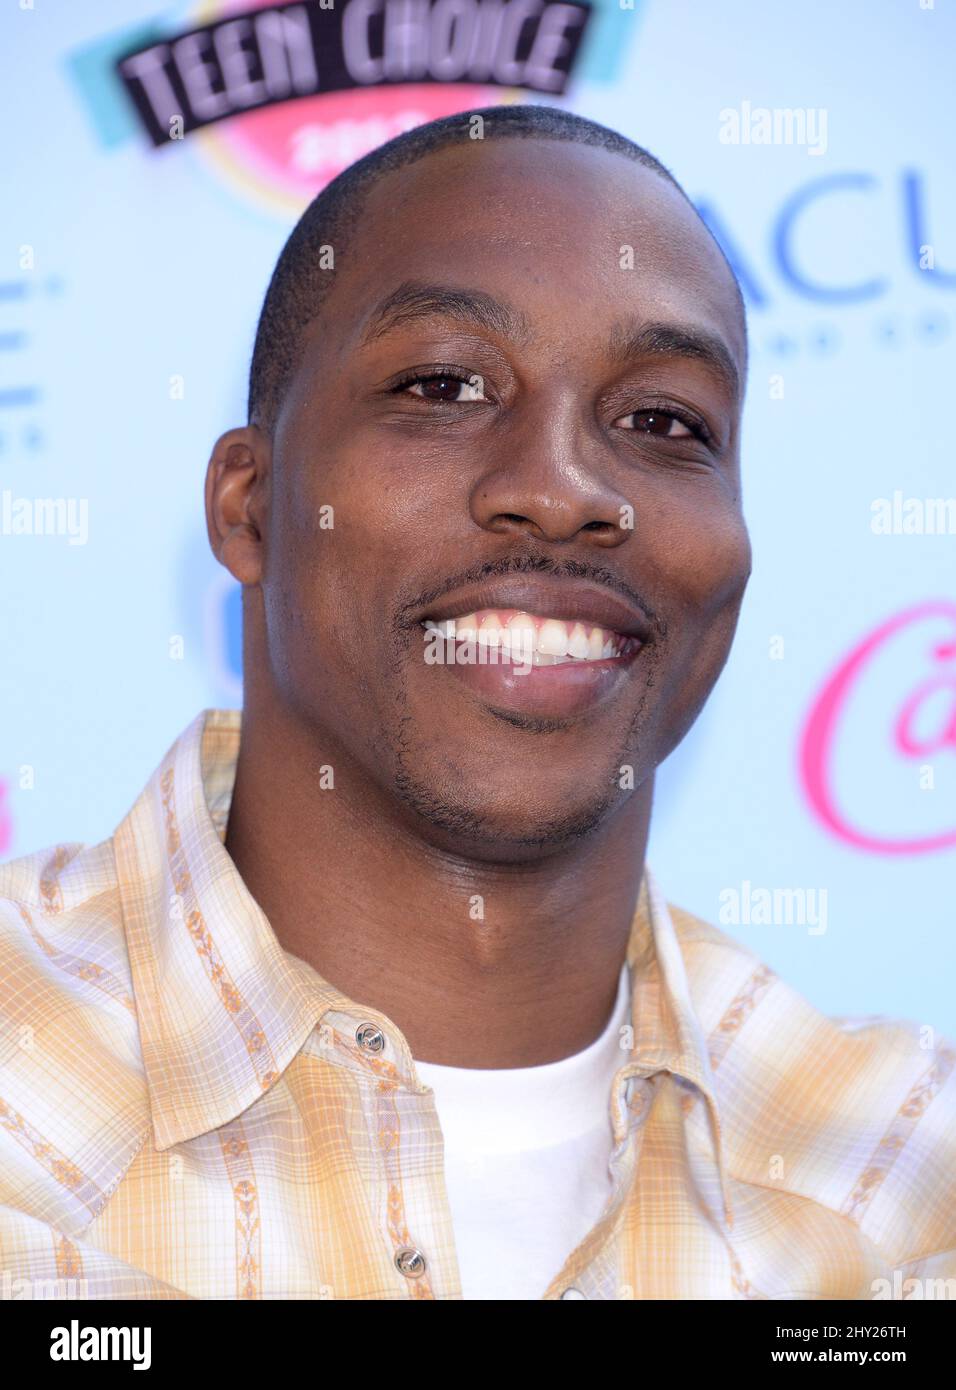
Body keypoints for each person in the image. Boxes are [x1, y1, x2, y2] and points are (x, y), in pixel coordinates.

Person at [1, 104, 953, 1302]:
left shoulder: (909, 1190)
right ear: (249, 506)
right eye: (445, 385)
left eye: (662, 422)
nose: (560, 490)